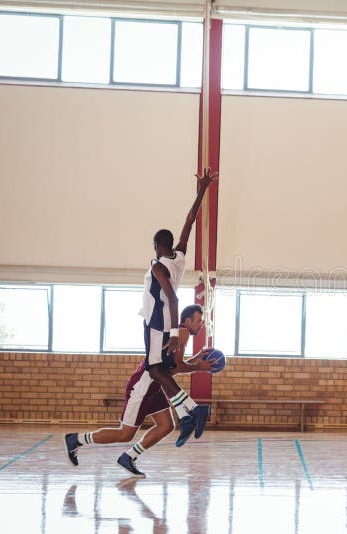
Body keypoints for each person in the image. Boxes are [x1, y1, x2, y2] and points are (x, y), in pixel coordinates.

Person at [64, 305, 213, 477]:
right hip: (142, 386)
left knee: (166, 426)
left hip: (154, 387)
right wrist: (199, 366)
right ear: (187, 321)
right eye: (199, 321)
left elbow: (170, 370)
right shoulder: (183, 333)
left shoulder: (179, 334)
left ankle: (129, 457)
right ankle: (76, 439)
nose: (201, 325)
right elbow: (177, 367)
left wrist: (195, 362)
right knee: (125, 434)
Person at [141, 168, 217, 447]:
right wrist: (202, 190)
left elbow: (172, 299)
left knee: (156, 371)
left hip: (157, 324)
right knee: (158, 371)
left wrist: (174, 333)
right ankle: (187, 414)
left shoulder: (158, 265)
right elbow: (189, 222)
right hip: (162, 323)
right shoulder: (180, 256)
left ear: (156, 245)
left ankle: (194, 410)